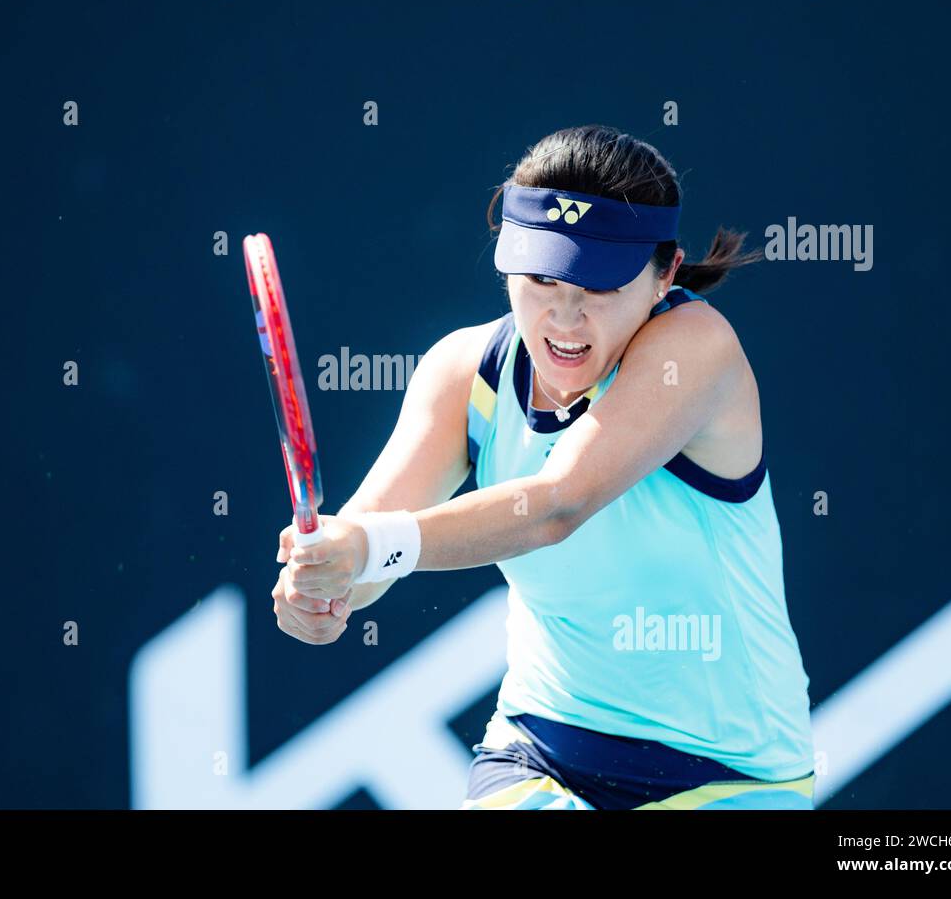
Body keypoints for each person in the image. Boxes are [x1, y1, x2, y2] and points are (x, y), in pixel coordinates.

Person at [271, 125, 815, 809]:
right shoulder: (463, 373)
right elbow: (368, 542)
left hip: (732, 779)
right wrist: (330, 585)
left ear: (665, 274)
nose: (563, 315)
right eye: (540, 278)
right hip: (540, 749)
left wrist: (368, 549)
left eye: (599, 284)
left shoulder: (696, 350)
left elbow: (558, 503)